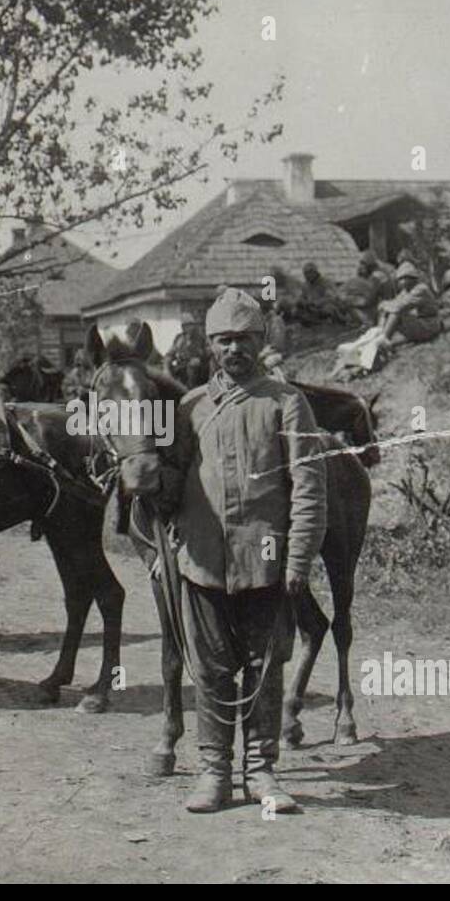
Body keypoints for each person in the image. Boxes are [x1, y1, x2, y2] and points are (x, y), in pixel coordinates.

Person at [158, 288, 327, 814]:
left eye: (245, 339)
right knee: (209, 669)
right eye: (225, 341)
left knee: (263, 665)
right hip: (203, 560)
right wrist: (141, 471)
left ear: (261, 341)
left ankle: (262, 771)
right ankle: (214, 772)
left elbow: (308, 486)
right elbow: (173, 483)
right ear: (211, 345)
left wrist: (298, 559)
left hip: (267, 560)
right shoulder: (189, 406)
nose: (235, 350)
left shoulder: (285, 401)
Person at [377, 261, 442, 345]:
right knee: (387, 311)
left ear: (412, 277)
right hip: (421, 324)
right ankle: (378, 337)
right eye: (400, 279)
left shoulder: (420, 289)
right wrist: (385, 305)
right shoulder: (406, 291)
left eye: (405, 278)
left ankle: (383, 342)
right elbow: (395, 302)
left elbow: (399, 306)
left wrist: (384, 304)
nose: (402, 281)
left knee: (396, 312)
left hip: (429, 325)